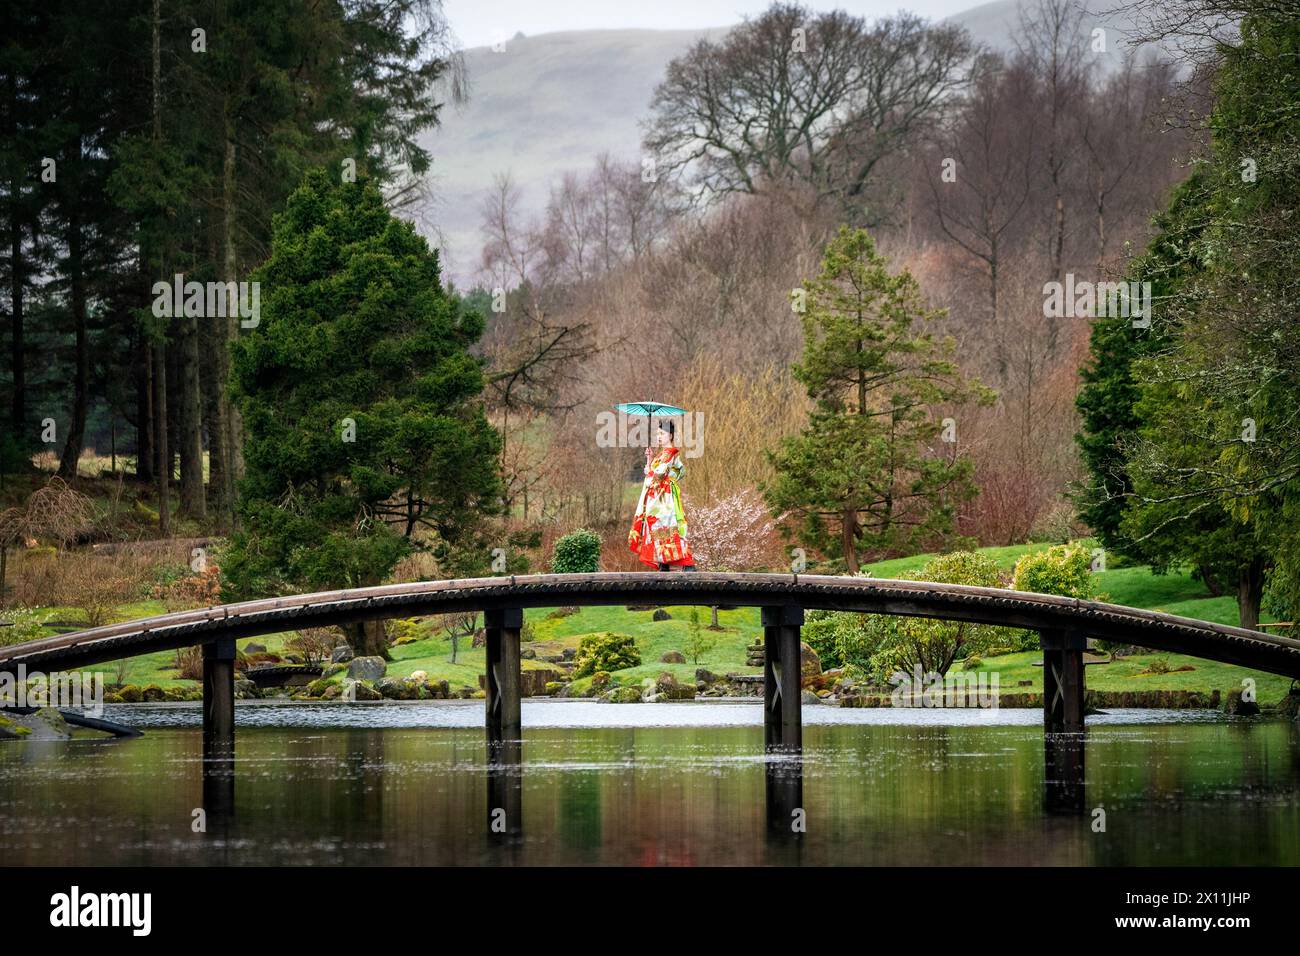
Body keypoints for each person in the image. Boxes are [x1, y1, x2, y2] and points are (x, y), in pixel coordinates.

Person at [628, 420, 696, 570]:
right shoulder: (666, 454)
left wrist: (649, 472)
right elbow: (680, 471)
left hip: (662, 498)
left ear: (670, 435)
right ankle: (664, 562)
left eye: (662, 434)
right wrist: (651, 459)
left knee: (664, 526)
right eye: (657, 433)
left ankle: (682, 562)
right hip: (661, 496)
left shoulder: (669, 453)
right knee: (662, 526)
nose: (659, 436)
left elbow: (658, 475)